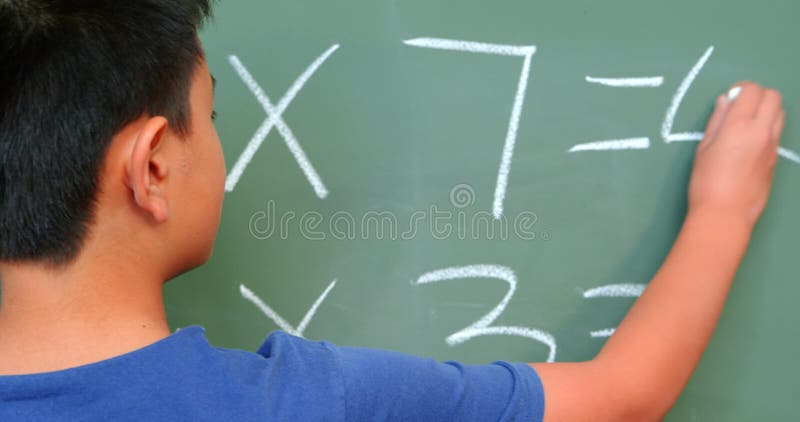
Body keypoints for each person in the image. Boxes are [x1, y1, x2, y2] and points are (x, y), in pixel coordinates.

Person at [0, 1, 786, 421]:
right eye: (212, 117)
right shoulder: (300, 404)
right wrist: (724, 208)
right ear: (155, 167)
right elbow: (621, 399)